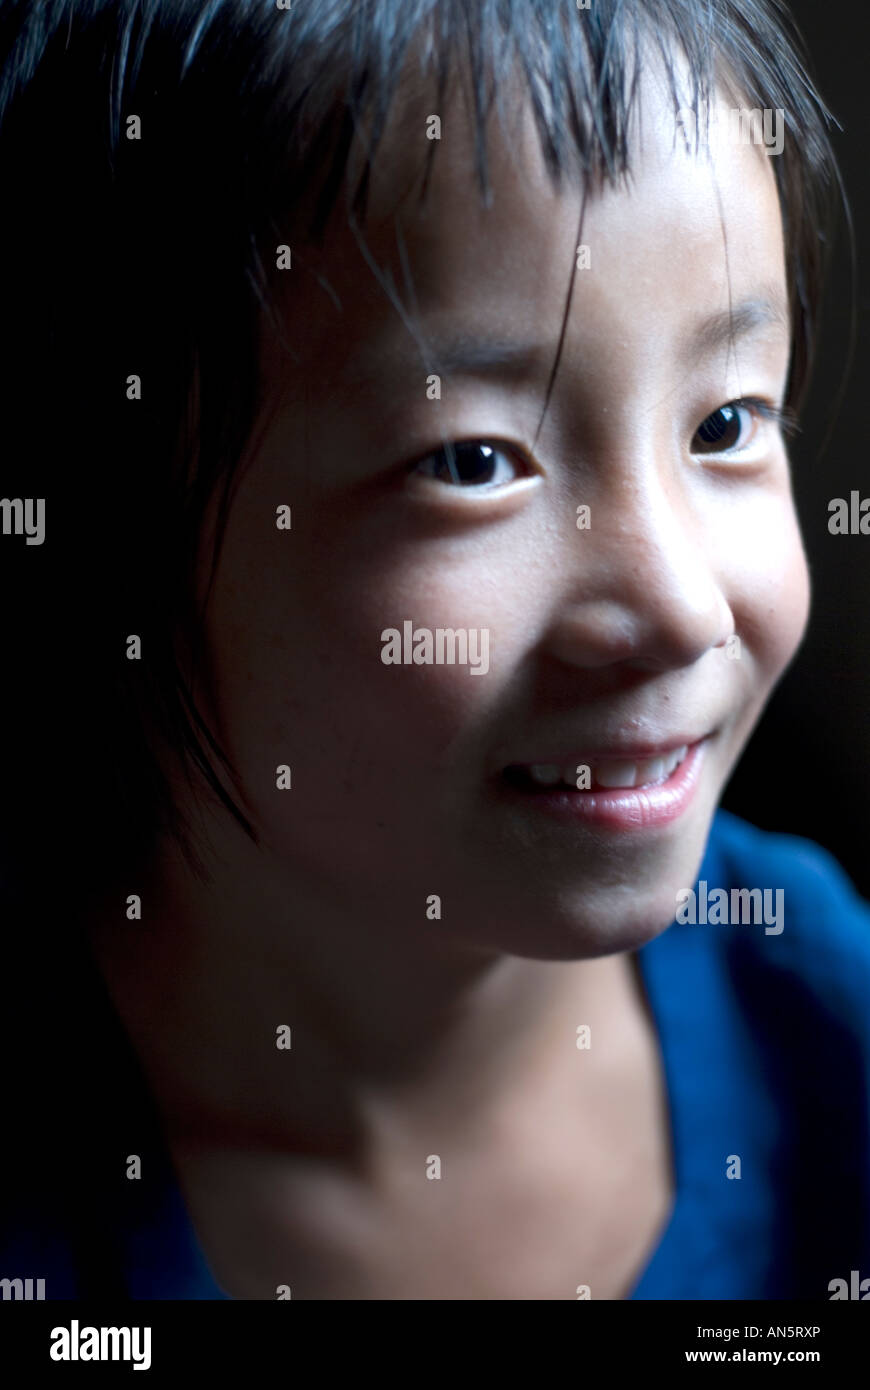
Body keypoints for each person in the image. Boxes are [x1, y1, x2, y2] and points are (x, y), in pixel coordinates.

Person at [1, 0, 868, 1301]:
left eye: (725, 420)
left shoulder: (824, 1020)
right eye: (472, 462)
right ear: (113, 521)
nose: (682, 604)